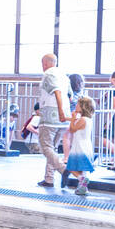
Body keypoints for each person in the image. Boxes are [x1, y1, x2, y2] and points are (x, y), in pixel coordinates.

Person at [37, 53, 71, 187]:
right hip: (64, 116)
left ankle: (63, 169)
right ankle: (49, 178)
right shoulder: (64, 75)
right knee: (53, 148)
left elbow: (57, 92)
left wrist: (60, 111)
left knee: (45, 147)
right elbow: (70, 96)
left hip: (51, 115)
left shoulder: (48, 74)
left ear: (45, 63)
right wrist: (64, 112)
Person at [66, 96, 97, 197]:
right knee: (82, 169)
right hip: (86, 146)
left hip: (79, 147)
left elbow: (72, 129)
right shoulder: (87, 119)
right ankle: (82, 188)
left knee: (71, 167)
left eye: (78, 105)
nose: (76, 106)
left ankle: (81, 179)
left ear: (83, 107)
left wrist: (72, 118)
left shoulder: (82, 119)